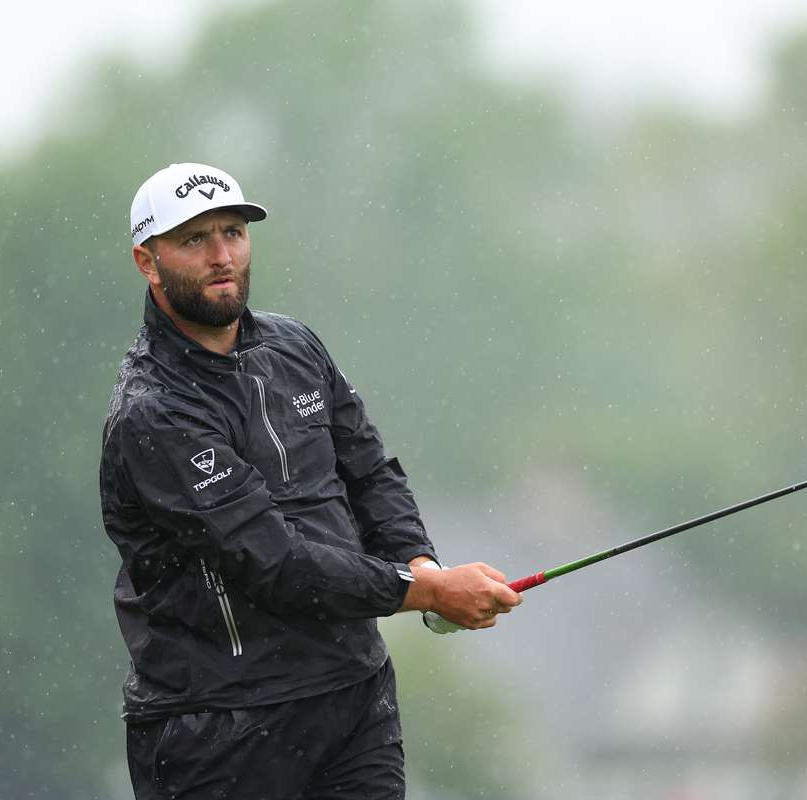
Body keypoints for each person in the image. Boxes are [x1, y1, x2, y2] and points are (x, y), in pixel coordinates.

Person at [99, 162, 522, 799]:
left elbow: (371, 474)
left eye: (234, 232)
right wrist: (426, 593)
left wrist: (420, 562)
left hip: (352, 700)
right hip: (218, 726)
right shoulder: (153, 412)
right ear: (147, 261)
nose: (222, 256)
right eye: (194, 240)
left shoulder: (296, 346)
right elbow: (273, 561)